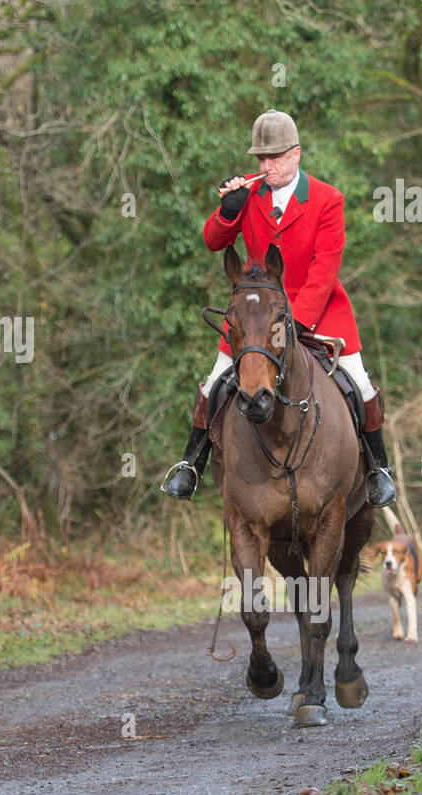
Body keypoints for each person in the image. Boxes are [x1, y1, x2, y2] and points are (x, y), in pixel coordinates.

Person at [161, 109, 396, 506]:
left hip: (319, 315)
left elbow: (325, 270)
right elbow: (214, 241)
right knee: (213, 382)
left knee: (361, 384)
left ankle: (378, 471)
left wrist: (296, 321)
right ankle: (190, 466)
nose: (266, 166)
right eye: (261, 159)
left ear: (296, 154)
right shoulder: (250, 197)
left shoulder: (327, 199)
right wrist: (229, 210)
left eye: (275, 158)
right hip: (256, 317)